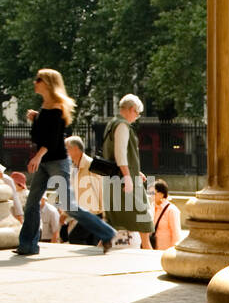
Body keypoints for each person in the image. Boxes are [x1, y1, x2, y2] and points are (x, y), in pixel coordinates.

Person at [15, 68, 116, 255]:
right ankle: (28, 245)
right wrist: (36, 118)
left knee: (69, 206)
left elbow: (53, 139)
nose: (34, 82)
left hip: (57, 162)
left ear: (47, 83)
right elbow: (38, 135)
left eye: (38, 79)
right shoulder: (45, 108)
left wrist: (37, 156)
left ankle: (107, 232)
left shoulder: (57, 108)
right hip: (46, 161)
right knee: (32, 202)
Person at [101, 94, 153, 247]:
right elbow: (120, 153)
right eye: (137, 113)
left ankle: (100, 248)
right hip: (124, 180)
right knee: (143, 217)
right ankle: (148, 251)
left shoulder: (111, 124)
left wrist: (136, 172)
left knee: (114, 220)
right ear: (132, 109)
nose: (137, 117)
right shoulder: (122, 125)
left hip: (113, 179)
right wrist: (128, 177)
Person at [59, 138, 104, 246]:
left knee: (75, 237)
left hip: (96, 212)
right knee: (89, 243)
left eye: (66, 149)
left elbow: (101, 188)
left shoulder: (90, 164)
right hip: (87, 213)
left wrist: (104, 213)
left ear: (75, 149)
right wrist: (66, 213)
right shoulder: (74, 167)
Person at [149, 181, 183, 251]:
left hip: (166, 251)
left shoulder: (172, 210)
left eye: (153, 193)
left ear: (161, 194)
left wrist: (173, 252)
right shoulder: (152, 207)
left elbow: (176, 234)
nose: (151, 196)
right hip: (153, 249)